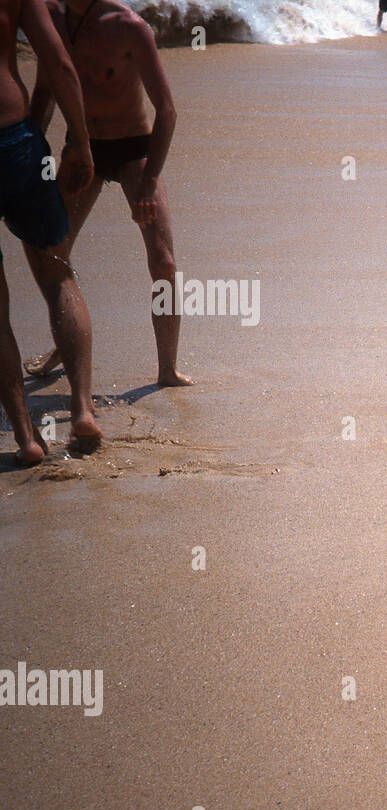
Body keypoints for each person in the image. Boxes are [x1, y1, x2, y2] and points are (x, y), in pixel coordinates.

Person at [25, 0, 192, 388]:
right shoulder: (51, 20)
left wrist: (150, 181)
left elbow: (166, 110)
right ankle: (67, 341)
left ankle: (167, 368)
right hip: (82, 148)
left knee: (164, 262)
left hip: (135, 151)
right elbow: (45, 96)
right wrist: (27, 161)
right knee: (51, 255)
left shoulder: (129, 26)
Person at [0, 0, 100, 464]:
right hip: (18, 141)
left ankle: (25, 438)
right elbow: (57, 61)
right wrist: (79, 140)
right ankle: (82, 408)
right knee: (58, 274)